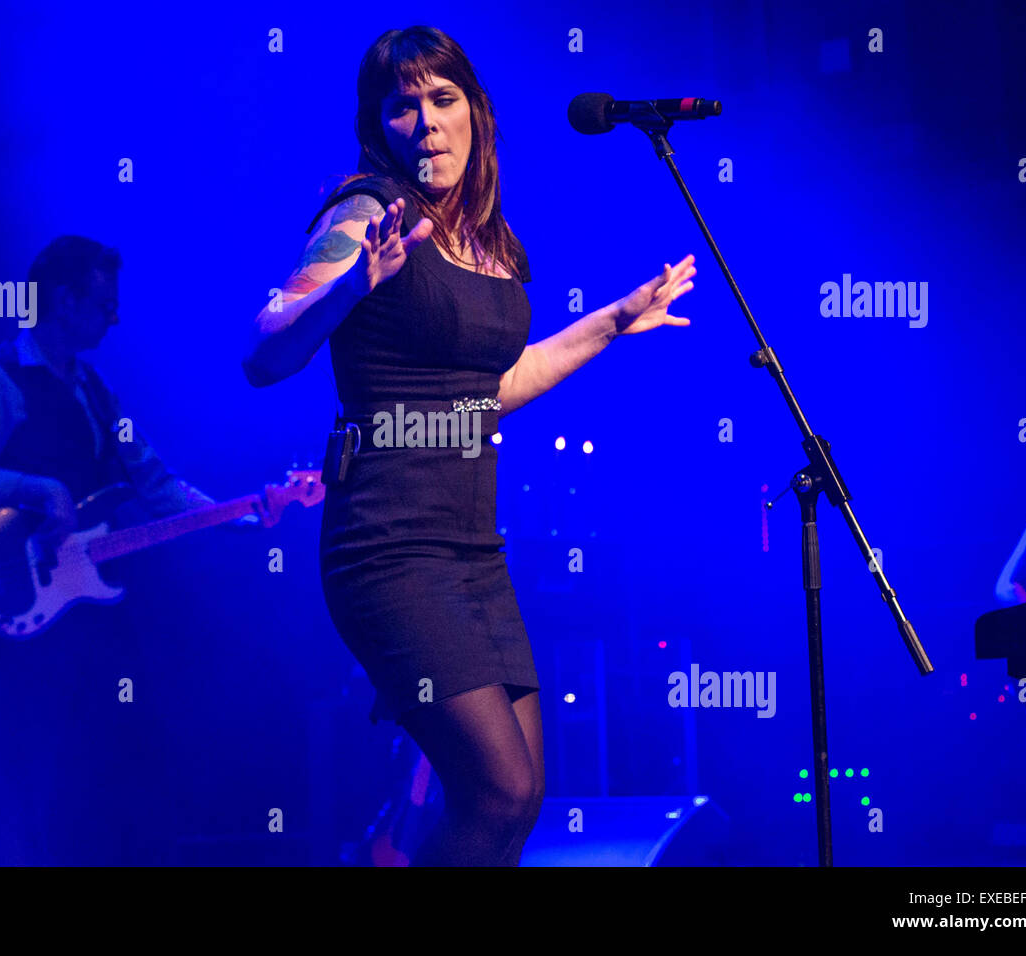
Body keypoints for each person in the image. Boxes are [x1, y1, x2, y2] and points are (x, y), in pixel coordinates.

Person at [243, 26, 696, 866]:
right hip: (388, 546)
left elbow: (494, 390)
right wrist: (351, 286)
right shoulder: (367, 213)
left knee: (519, 803)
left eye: (443, 99)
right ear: (381, 125)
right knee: (501, 790)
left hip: (474, 553)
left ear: (476, 115)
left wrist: (613, 321)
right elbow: (266, 350)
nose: (426, 122)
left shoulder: (488, 240)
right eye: (403, 105)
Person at [0, 234, 210, 864]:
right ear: (65, 300)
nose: (115, 315)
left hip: (93, 609)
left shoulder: (96, 388)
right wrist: (37, 488)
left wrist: (231, 514)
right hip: (25, 610)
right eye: (104, 301)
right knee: (27, 773)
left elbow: (153, 479)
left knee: (121, 764)